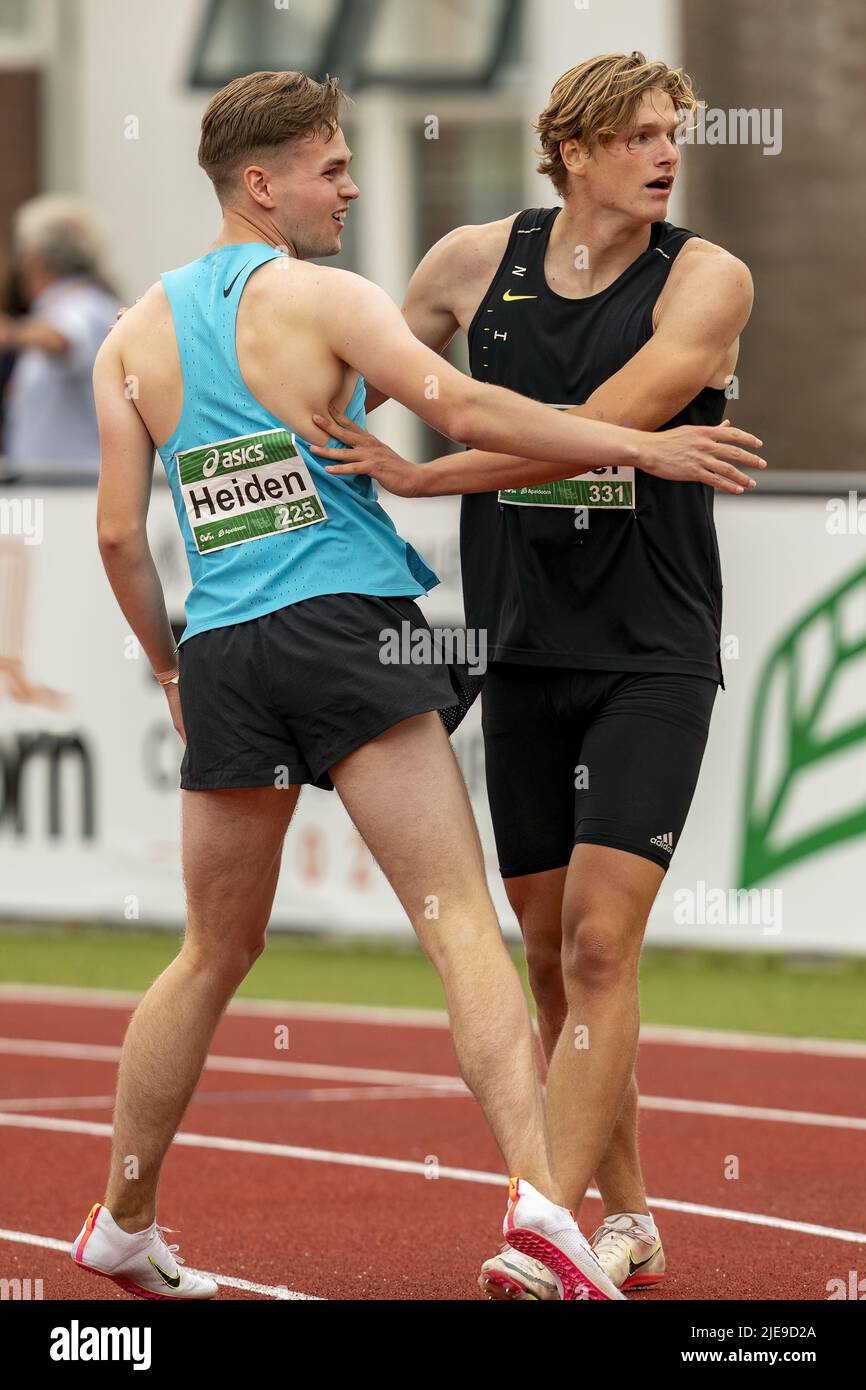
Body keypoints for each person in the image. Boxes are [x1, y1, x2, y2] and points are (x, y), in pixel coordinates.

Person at [68, 68, 759, 1302]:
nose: (350, 186)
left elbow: (120, 536)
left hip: (226, 650)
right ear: (262, 181)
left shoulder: (132, 333)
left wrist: (169, 662)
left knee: (211, 952)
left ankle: (123, 1215)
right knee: (464, 933)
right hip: (345, 630)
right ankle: (547, 1210)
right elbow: (462, 402)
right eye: (333, 168)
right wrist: (639, 448)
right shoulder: (333, 295)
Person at [309, 52, 763, 1299]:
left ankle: (544, 1222)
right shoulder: (468, 260)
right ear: (569, 149)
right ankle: (627, 1221)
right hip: (518, 644)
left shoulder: (707, 278)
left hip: (651, 650)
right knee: (555, 963)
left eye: (673, 134)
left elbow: (593, 430)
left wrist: (430, 469)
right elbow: (364, 378)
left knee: (607, 947)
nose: (665, 154)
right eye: (638, 137)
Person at [0, 196, 118, 477]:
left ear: (36, 260)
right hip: (54, 489)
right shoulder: (60, 307)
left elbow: (64, 339)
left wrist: (12, 333)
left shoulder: (85, 305)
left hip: (72, 490)